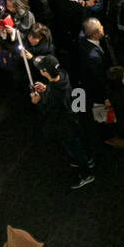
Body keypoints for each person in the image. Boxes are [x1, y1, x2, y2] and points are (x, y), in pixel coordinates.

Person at [30, 54, 95, 189]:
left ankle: (86, 174)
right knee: (78, 144)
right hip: (73, 119)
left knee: (74, 148)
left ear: (45, 72)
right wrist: (47, 89)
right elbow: (57, 92)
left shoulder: (54, 93)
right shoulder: (63, 76)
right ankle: (87, 160)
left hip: (64, 125)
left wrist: (37, 101)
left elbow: (47, 110)